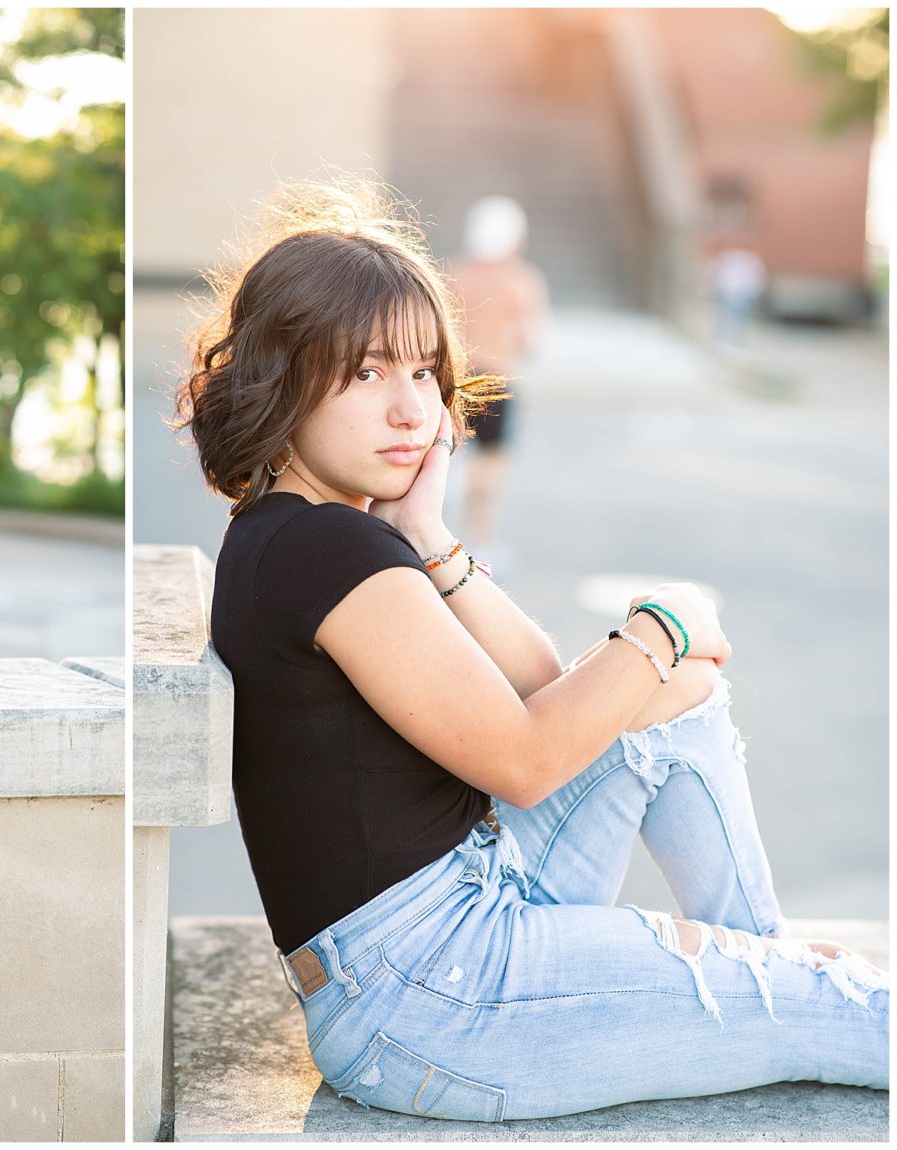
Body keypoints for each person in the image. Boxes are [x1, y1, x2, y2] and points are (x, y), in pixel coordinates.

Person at [173, 177, 886, 1121]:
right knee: (848, 1006)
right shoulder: (325, 549)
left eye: (423, 372)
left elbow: (548, 692)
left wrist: (430, 536)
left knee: (673, 704)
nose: (410, 411)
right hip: (433, 994)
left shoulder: (304, 530)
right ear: (283, 377)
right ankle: (781, 989)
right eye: (366, 373)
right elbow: (528, 759)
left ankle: (768, 974)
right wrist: (665, 620)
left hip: (452, 933)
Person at [445, 194, 547, 562]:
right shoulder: (521, 280)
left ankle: (437, 541)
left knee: (443, 459)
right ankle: (482, 543)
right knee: (490, 469)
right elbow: (529, 341)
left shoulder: (455, 274)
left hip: (458, 377)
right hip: (496, 378)